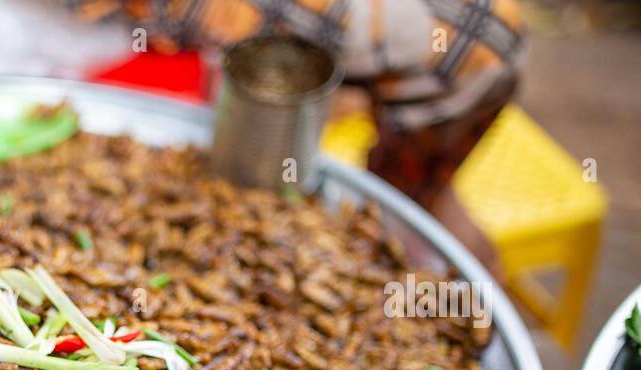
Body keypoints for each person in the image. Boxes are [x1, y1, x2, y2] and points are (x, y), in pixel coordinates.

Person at [61, 0, 527, 265]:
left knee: (413, 210)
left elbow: (245, 82)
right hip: (458, 39)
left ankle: (474, 288)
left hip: (464, 67)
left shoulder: (206, 12)